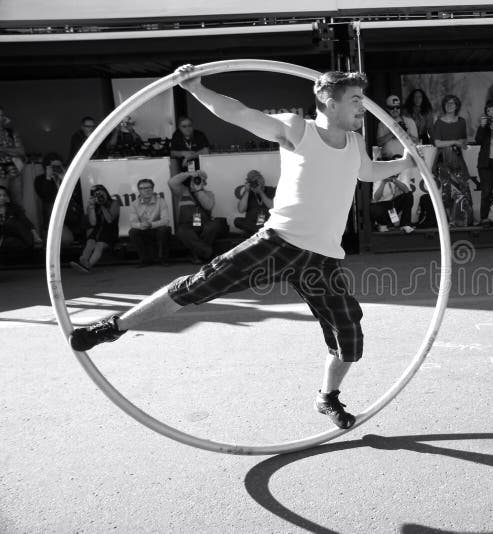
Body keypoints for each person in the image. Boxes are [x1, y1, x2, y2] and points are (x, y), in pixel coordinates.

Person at [70, 66, 417, 429]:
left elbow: (365, 172)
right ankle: (113, 326)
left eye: (363, 99)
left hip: (323, 258)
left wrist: (405, 163)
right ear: (330, 103)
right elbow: (239, 114)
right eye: (356, 100)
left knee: (350, 337)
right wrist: (198, 89)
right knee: (199, 286)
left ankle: (327, 397)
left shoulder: (355, 142)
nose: (364, 107)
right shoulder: (300, 130)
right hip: (278, 243)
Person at [431, 94, 474, 224]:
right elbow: (437, 143)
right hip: (443, 160)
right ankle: (447, 220)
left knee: (463, 187)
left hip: (458, 159)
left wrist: (460, 142)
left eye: (453, 103)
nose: (450, 105)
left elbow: (464, 143)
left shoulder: (461, 121)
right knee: (446, 190)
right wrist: (454, 141)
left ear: (457, 106)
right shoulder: (439, 122)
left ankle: (465, 218)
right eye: (447, 103)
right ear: (444, 105)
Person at [170, 169, 225, 264]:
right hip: (187, 224)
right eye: (195, 179)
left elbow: (208, 206)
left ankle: (196, 254)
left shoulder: (209, 194)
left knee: (214, 226)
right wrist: (189, 174)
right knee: (182, 231)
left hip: (204, 223)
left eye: (200, 180)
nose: (197, 181)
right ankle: (208, 253)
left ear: (204, 183)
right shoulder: (182, 192)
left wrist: (198, 191)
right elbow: (171, 182)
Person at [34, 152, 83, 247]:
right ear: (46, 167)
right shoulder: (40, 180)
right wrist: (48, 178)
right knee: (66, 240)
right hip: (54, 217)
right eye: (53, 166)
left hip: (72, 215)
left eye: (59, 166)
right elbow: (46, 197)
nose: (56, 168)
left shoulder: (67, 177)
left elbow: (77, 195)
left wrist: (66, 180)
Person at [69, 184, 120, 273]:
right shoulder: (93, 204)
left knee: (99, 245)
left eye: (101, 193)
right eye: (96, 194)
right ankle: (83, 261)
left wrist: (102, 205)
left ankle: (88, 266)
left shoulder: (114, 202)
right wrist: (91, 207)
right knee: (90, 242)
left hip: (110, 231)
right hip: (97, 230)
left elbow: (109, 220)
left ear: (105, 192)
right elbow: (93, 223)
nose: (100, 196)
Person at [129, 178, 171, 267]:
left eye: (149, 187)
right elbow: (133, 223)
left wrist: (151, 224)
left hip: (156, 228)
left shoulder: (161, 201)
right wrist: (141, 225)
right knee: (133, 231)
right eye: (143, 188)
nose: (146, 190)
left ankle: (162, 259)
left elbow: (166, 220)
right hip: (144, 229)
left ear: (153, 189)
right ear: (139, 190)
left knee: (165, 229)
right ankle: (145, 260)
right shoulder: (134, 204)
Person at [234, 169, 275, 237]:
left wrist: (260, 192)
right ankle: (261, 232)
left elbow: (272, 206)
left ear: (262, 180)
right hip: (251, 223)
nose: (256, 182)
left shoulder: (271, 190)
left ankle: (259, 232)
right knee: (237, 221)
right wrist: (247, 191)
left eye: (257, 179)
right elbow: (241, 210)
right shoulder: (248, 192)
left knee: (268, 226)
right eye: (252, 181)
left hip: (265, 223)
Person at [376, 94, 418, 159]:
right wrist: (393, 133)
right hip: (388, 160)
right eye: (392, 108)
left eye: (397, 107)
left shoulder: (409, 121)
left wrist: (404, 134)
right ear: (387, 108)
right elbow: (379, 143)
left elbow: (416, 141)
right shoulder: (382, 123)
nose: (395, 109)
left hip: (406, 159)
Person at [0, 185, 40, 252]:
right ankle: (30, 243)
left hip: (14, 236)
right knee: (12, 223)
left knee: (14, 224)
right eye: (0, 195)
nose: (2, 197)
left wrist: (36, 236)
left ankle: (30, 243)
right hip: (3, 237)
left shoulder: (14, 208)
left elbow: (26, 221)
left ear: (7, 197)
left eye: (4, 195)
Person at [0, 106, 26, 206]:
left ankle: (17, 221)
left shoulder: (11, 132)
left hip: (14, 173)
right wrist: (11, 150)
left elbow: (21, 151)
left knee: (18, 204)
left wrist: (2, 149)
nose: (0, 117)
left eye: (1, 115)